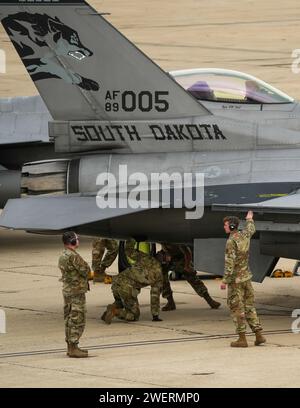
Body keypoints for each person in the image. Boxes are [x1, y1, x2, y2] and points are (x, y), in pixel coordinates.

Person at [221, 211, 266, 347]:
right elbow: (251, 229)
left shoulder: (231, 241)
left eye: (226, 225)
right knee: (249, 307)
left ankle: (242, 339)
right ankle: (258, 335)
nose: (224, 227)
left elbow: (230, 263)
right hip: (246, 277)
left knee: (237, 308)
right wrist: (249, 219)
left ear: (232, 226)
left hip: (236, 281)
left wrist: (225, 280)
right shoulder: (244, 235)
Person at [102, 239, 163, 324]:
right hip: (126, 288)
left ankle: (110, 309)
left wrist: (131, 239)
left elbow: (129, 251)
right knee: (134, 316)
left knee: (121, 301)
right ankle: (115, 312)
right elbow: (154, 295)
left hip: (116, 282)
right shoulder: (159, 274)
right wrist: (155, 315)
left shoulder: (145, 257)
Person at [159, 243, 221, 311]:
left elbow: (187, 252)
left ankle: (210, 301)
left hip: (182, 259)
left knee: (193, 278)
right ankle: (170, 302)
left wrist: (187, 266)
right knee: (162, 279)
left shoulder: (176, 241)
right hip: (169, 259)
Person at [58, 231, 90, 358]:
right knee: (77, 318)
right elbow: (85, 270)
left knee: (69, 318)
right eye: (77, 239)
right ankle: (74, 347)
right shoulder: (73, 256)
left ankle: (70, 346)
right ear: (72, 241)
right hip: (76, 291)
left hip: (68, 290)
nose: (78, 241)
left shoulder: (63, 255)